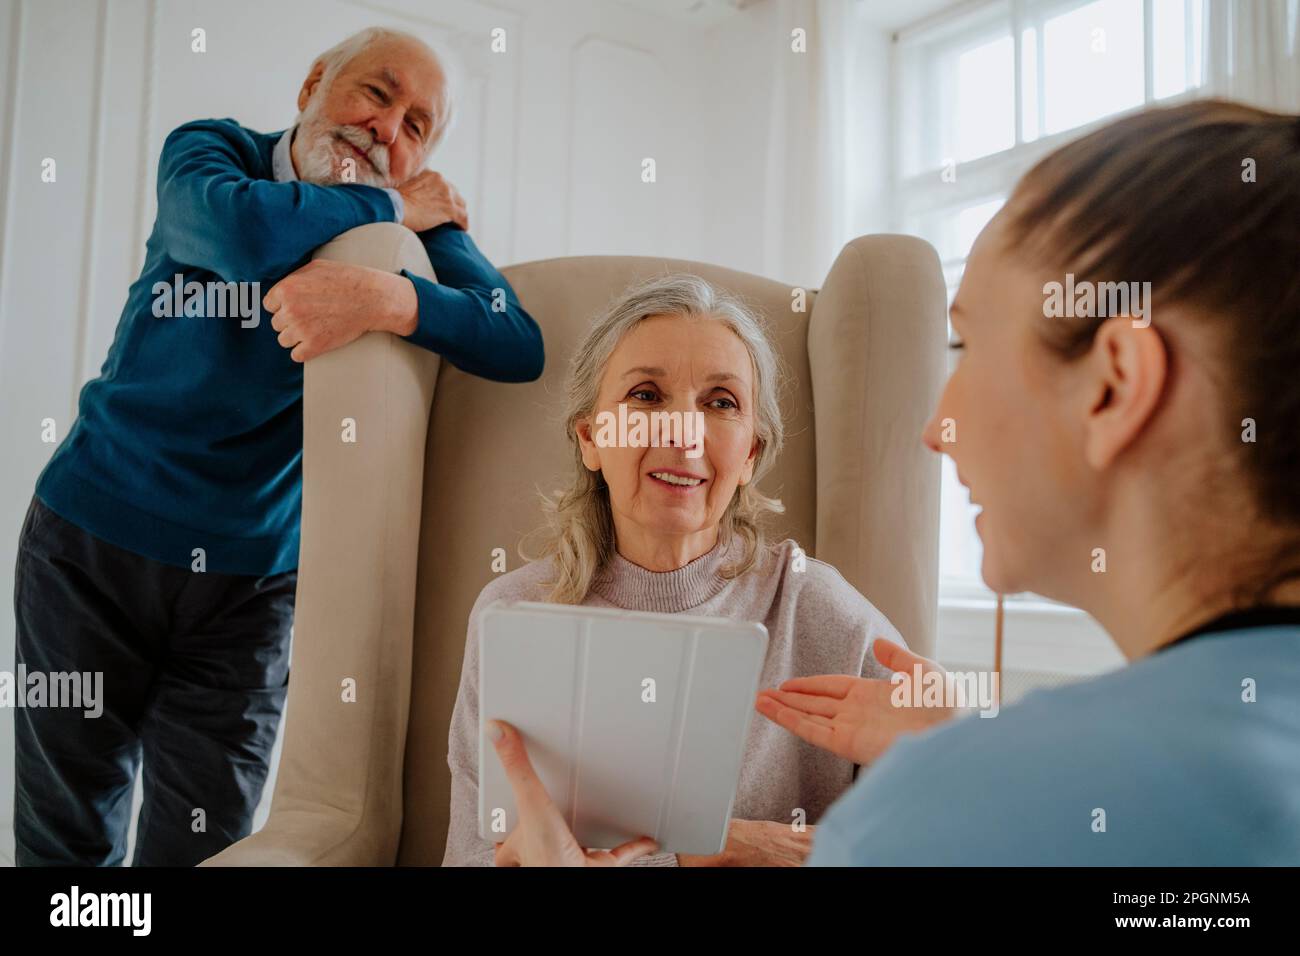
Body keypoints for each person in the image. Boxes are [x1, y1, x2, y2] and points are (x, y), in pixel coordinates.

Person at [484, 99, 1300, 866]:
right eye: (647, 395)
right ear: (589, 439)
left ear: (1115, 385)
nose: (935, 428)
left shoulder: (961, 790)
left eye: (969, 349)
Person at [14, 26, 544, 867]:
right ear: (312, 85)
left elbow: (517, 340)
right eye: (377, 93)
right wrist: (397, 206)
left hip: (247, 589)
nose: (387, 130)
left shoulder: (407, 227)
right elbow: (237, 237)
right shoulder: (214, 153)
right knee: (66, 838)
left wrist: (392, 296)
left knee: (206, 844)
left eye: (417, 127)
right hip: (88, 549)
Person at [441, 273, 908, 866]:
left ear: (750, 457)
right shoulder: (511, 614)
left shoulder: (816, 607)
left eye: (720, 403)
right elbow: (470, 857)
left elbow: (928, 835)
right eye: (645, 396)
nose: (684, 432)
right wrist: (704, 853)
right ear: (590, 439)